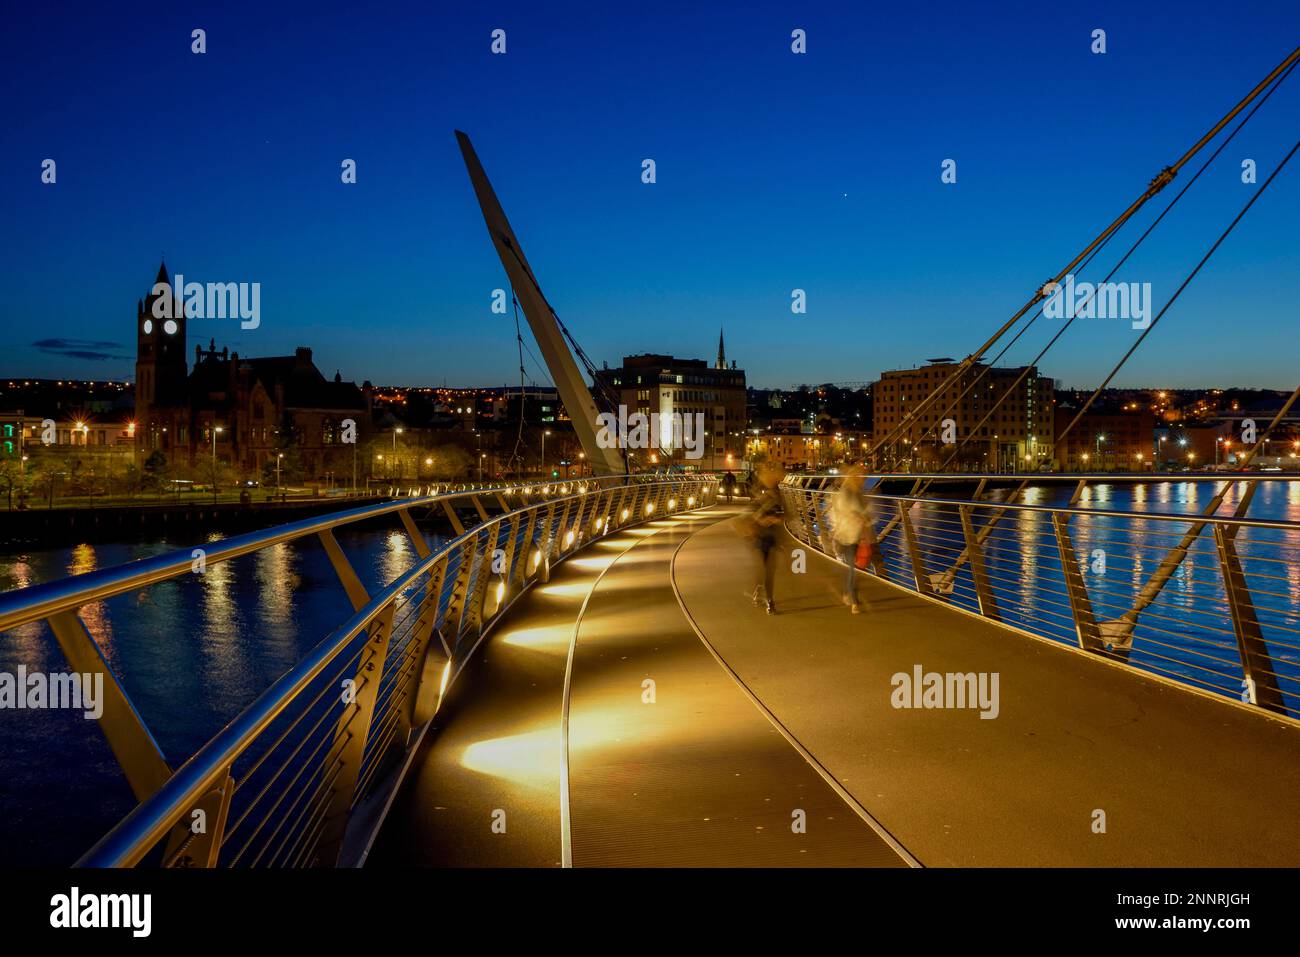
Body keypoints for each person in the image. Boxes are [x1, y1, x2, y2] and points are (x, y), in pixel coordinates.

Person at [741, 462, 784, 614]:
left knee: (769, 570)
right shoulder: (758, 490)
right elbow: (750, 512)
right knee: (763, 569)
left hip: (773, 535)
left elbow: (783, 511)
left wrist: (777, 519)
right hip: (758, 535)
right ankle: (767, 598)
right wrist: (761, 520)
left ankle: (766, 596)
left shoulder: (777, 491)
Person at [827, 465, 872, 614]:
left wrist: (865, 518)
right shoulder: (845, 493)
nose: (862, 481)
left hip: (856, 536)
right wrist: (858, 515)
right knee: (852, 568)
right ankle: (854, 602)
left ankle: (848, 593)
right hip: (844, 535)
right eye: (859, 477)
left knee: (853, 568)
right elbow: (845, 509)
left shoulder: (859, 493)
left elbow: (867, 512)